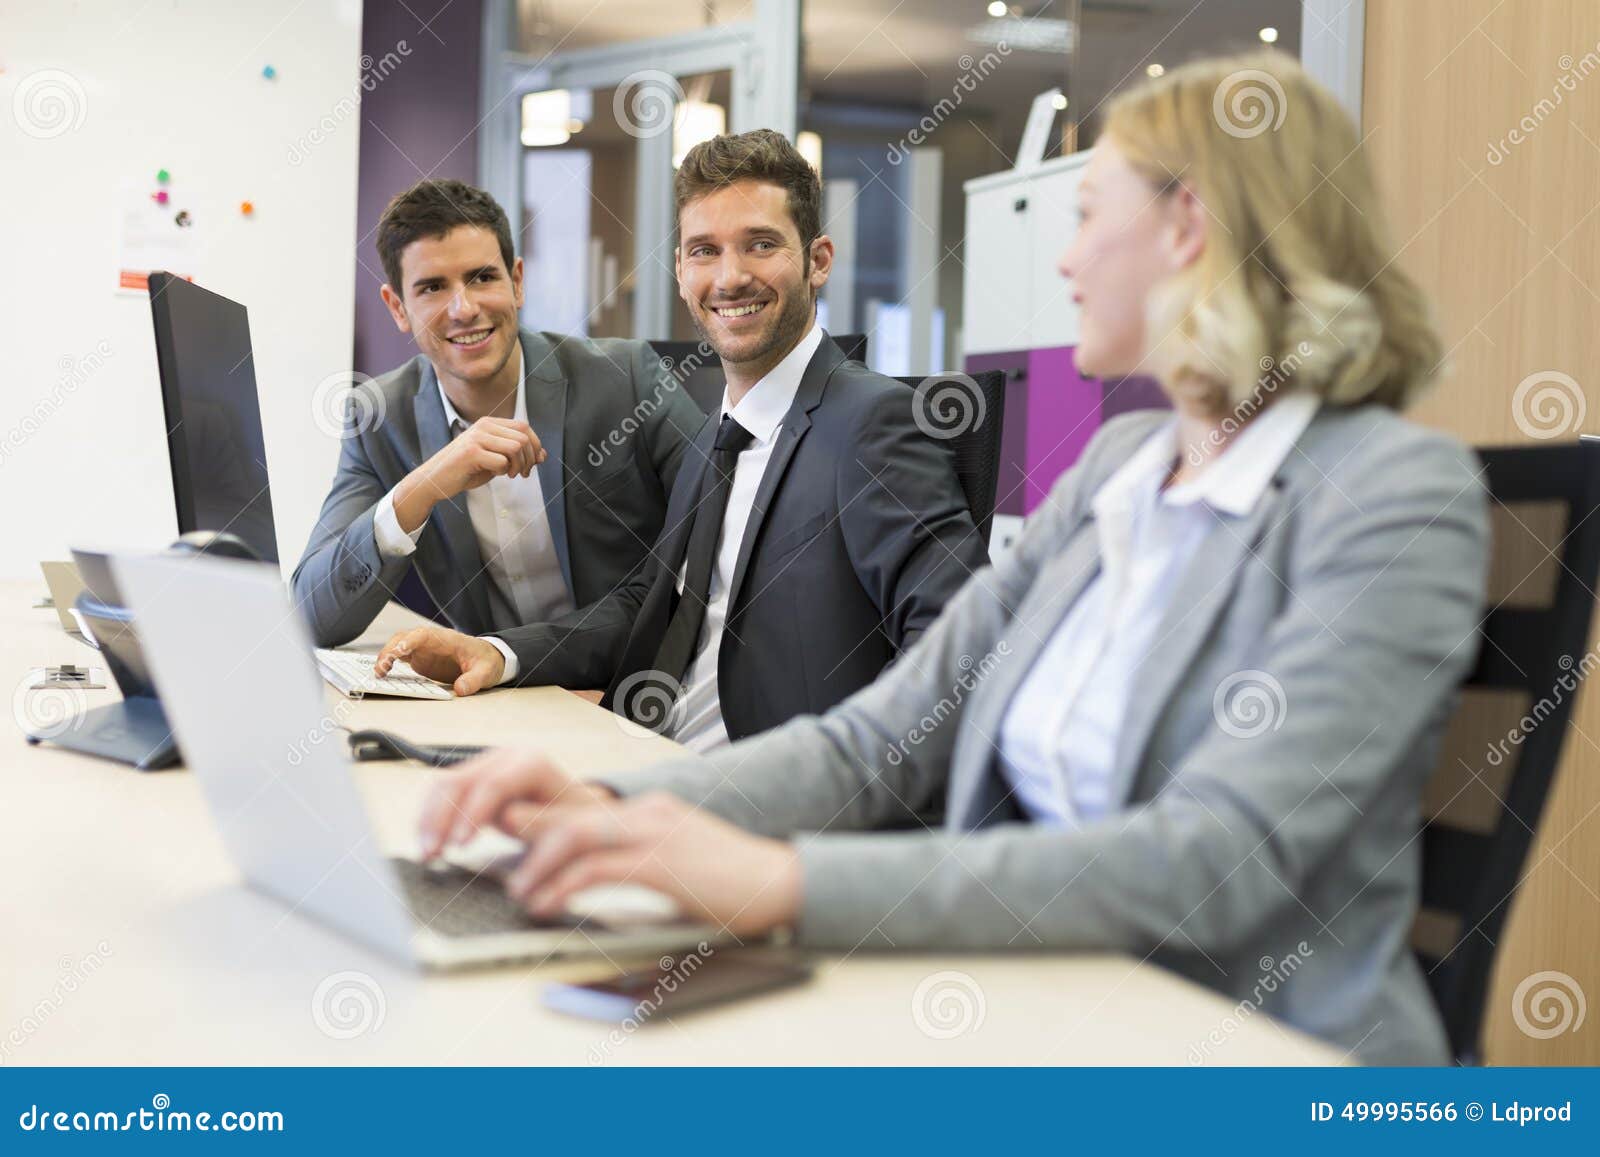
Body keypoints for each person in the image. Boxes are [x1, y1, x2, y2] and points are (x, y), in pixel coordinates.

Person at [413, 55, 1494, 1063]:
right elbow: (883, 735)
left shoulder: (1395, 494)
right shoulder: (1124, 463)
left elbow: (1218, 860)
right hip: (1035, 996)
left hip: (1240, 1047)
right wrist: (604, 798)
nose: (1064, 258)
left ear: (1186, 227)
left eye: (1084, 219)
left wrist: (781, 879)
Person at [375, 131, 989, 751]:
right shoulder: (714, 437)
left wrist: (831, 795)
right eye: (704, 251)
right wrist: (495, 653)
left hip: (763, 798)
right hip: (644, 755)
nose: (730, 277)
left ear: (819, 259)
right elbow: (653, 605)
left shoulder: (871, 423)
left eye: (761, 245)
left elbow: (964, 645)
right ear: (678, 270)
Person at [291, 178, 704, 647]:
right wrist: (421, 488)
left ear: (517, 282)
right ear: (398, 308)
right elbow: (312, 617)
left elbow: (721, 531)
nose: (463, 309)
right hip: (504, 698)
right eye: (432, 288)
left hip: (639, 683)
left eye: (482, 278)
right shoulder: (378, 421)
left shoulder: (625, 377)